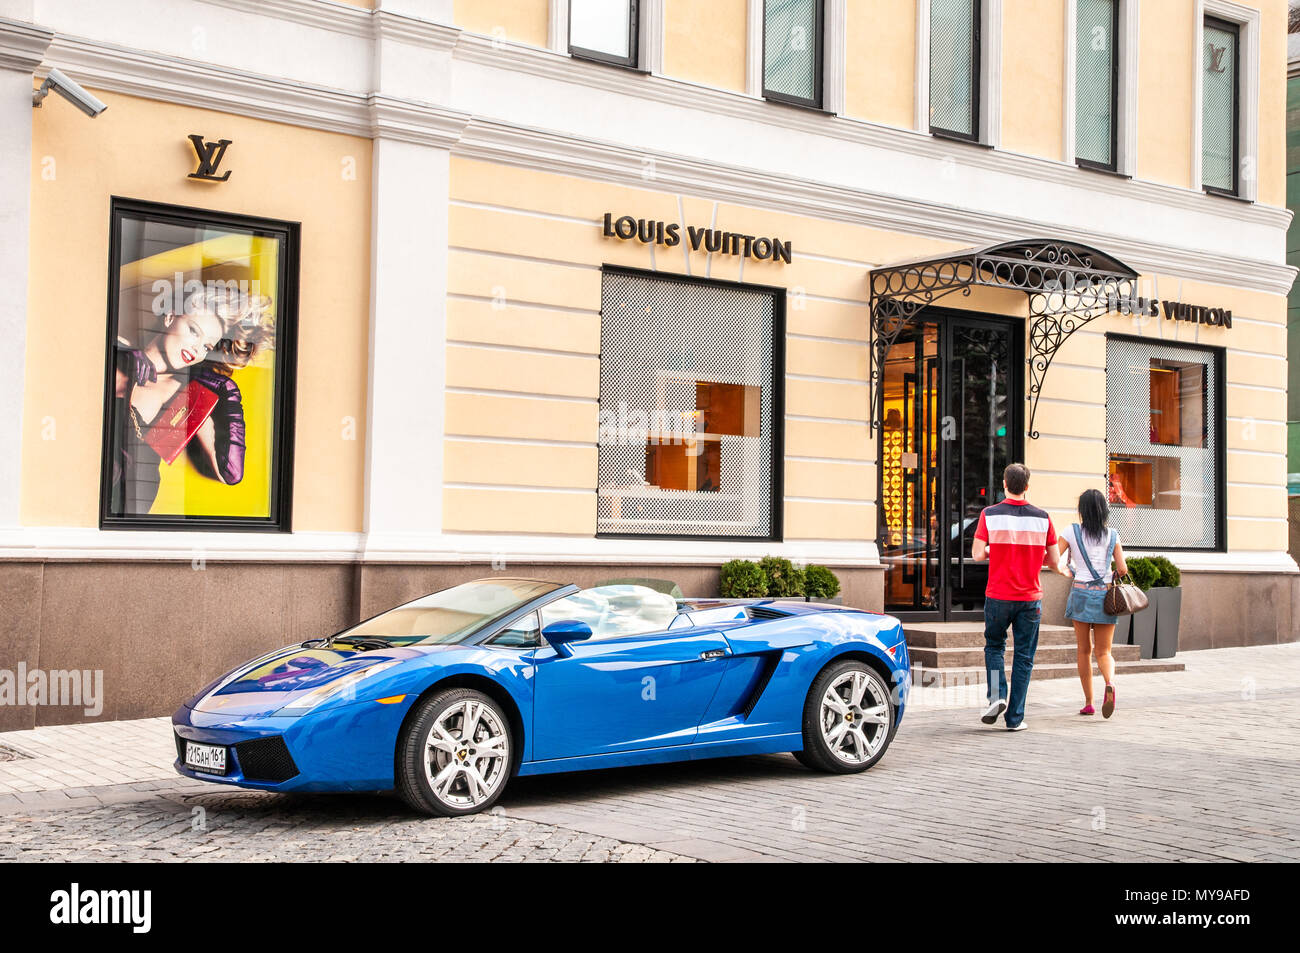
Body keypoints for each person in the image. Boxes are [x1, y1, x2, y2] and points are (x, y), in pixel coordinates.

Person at [970, 463, 1059, 731]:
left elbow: (977, 554)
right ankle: (1015, 718)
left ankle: (997, 696)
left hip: (998, 595)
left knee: (994, 647)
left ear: (1005, 484)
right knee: (1024, 657)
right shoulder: (1043, 518)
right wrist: (1033, 556)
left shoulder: (989, 514)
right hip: (1029, 598)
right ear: (1027, 486)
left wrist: (993, 550)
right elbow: (1054, 561)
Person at [1057, 488, 1128, 719]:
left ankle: (1088, 703)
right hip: (1105, 595)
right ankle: (1110, 682)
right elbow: (1122, 569)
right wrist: (1110, 573)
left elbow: (1054, 558)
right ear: (1104, 510)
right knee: (1104, 651)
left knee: (1084, 650)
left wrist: (1066, 570)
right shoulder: (1113, 535)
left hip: (1080, 592)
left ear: (1082, 510)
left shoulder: (1071, 531)